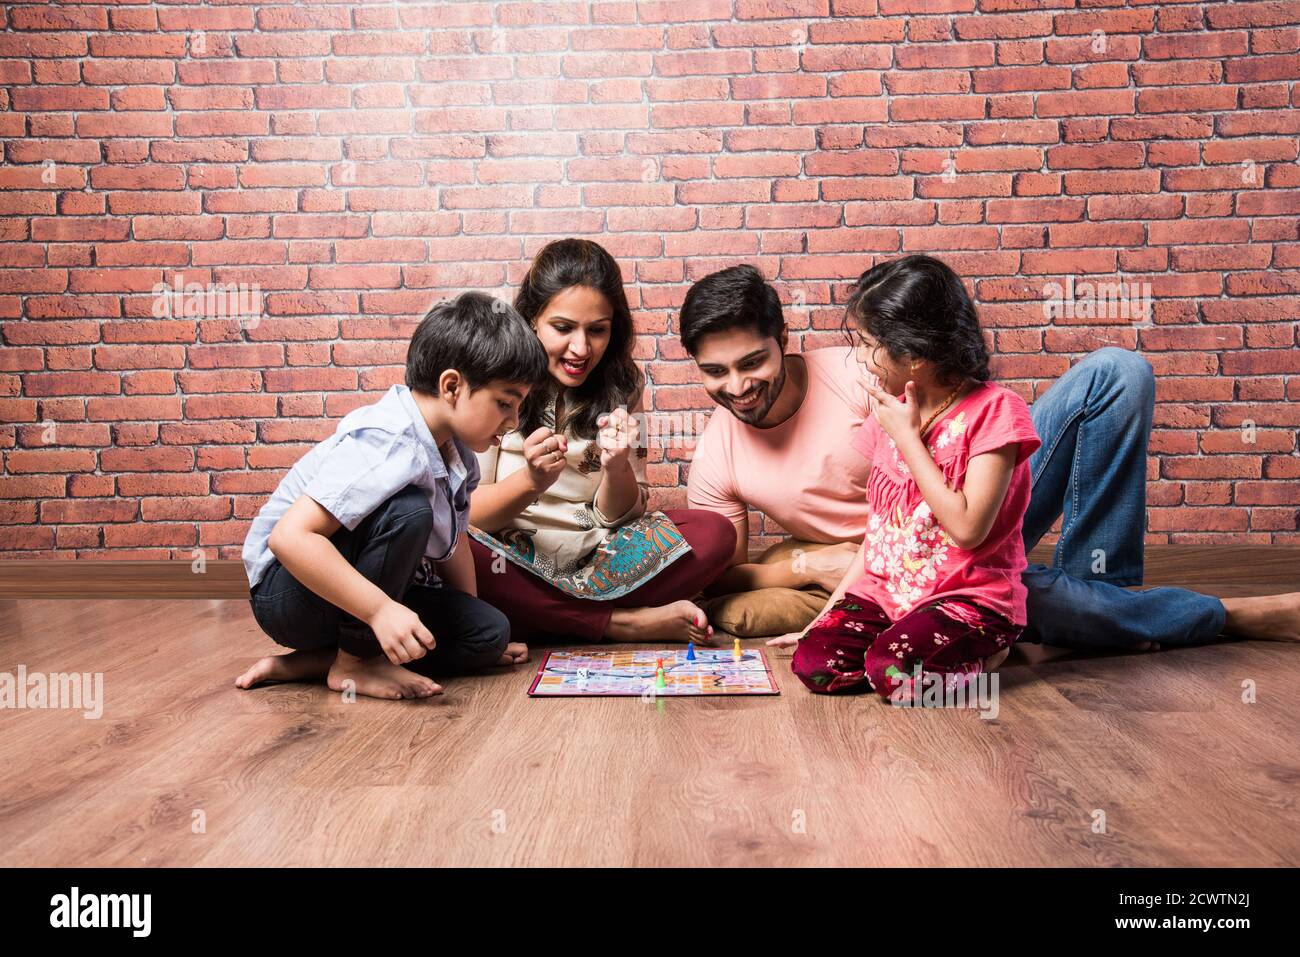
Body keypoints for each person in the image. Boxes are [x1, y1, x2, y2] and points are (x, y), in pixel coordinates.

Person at [681, 261, 1300, 651]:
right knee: (1025, 603)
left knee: (1118, 372)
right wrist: (805, 564)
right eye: (715, 372)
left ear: (781, 341)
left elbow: (971, 430)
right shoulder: (716, 455)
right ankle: (1211, 617)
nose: (738, 386)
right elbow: (722, 575)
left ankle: (1101, 588)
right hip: (901, 575)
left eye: (752, 362)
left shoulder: (862, 370)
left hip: (972, 511)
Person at [236, 292, 547, 700]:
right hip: (290, 593)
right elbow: (289, 538)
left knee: (487, 633)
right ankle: (355, 662)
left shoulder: (458, 457)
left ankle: (319, 661)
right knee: (409, 510)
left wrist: (464, 615)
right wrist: (380, 611)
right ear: (452, 386)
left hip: (365, 596)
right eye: (504, 403)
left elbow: (453, 546)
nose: (513, 422)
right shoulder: (387, 440)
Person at [771, 255, 1041, 699]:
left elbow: (969, 529)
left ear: (913, 354)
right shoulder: (889, 412)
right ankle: (899, 640)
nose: (859, 356)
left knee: (894, 675)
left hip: (967, 599)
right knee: (814, 665)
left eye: (866, 342)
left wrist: (908, 439)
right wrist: (824, 616)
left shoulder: (995, 410)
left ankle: (989, 652)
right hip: (888, 595)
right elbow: (878, 536)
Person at [469, 238, 736, 645]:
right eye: (563, 328)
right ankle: (619, 624)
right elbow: (466, 515)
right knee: (445, 543)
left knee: (713, 533)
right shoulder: (494, 374)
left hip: (595, 563)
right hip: (507, 560)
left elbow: (620, 520)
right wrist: (531, 482)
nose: (581, 348)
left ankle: (547, 618)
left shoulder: (625, 385)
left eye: (597, 330)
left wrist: (615, 467)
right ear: (532, 319)